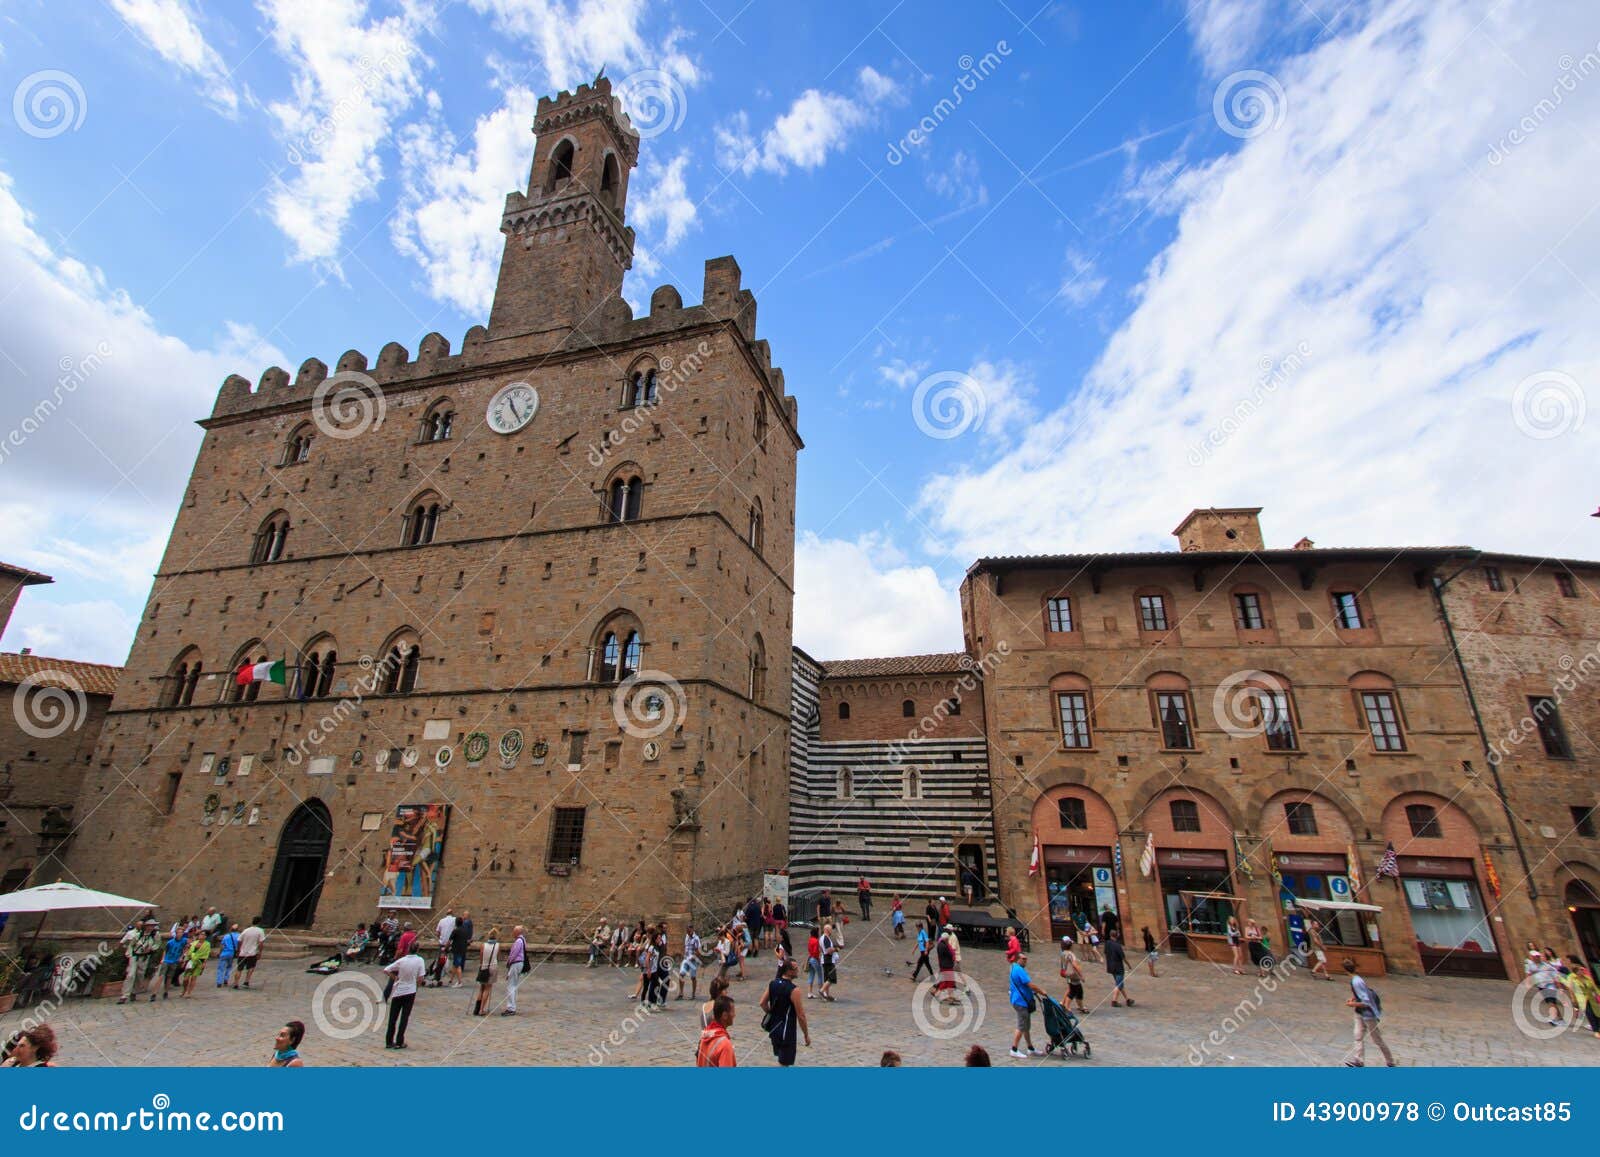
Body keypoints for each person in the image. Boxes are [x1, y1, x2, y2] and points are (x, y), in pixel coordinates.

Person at [1342, 958, 1395, 1066]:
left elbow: (1366, 1002)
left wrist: (1352, 1004)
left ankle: (1390, 1061)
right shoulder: (1356, 979)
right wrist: (1353, 998)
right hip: (1359, 1013)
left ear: (1345, 970)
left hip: (1368, 1014)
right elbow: (1362, 994)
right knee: (1358, 1036)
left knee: (1377, 1040)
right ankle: (1358, 1061)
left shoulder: (1356, 981)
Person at [761, 958, 810, 1066]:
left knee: (781, 1060)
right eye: (795, 968)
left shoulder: (773, 983)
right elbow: (801, 1016)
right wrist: (806, 1034)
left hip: (774, 1028)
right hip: (786, 1031)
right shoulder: (794, 990)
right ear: (788, 971)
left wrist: (771, 1013)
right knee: (784, 1064)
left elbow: (762, 1003)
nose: (798, 970)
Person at [383, 941, 426, 1050]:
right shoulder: (420, 960)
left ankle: (388, 1041)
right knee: (404, 1018)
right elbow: (421, 978)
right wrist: (417, 986)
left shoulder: (402, 961)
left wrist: (395, 978)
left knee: (393, 1018)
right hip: (410, 991)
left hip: (398, 991)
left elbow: (386, 969)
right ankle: (399, 1041)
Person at [1008, 951, 1048, 1058]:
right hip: (1021, 1001)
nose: (1025, 961)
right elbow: (1029, 984)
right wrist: (1041, 991)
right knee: (1021, 1026)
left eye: (1026, 959)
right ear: (1018, 959)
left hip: (1021, 1000)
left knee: (1026, 1026)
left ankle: (1030, 1048)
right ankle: (1014, 1049)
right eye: (1023, 959)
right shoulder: (1019, 970)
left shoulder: (1014, 968)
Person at [118, 918, 159, 1004]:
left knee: (140, 975)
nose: (152, 927)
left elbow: (157, 944)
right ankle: (124, 995)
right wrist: (129, 954)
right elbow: (131, 945)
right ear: (146, 926)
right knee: (130, 974)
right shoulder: (138, 935)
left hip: (144, 957)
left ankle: (134, 991)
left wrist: (151, 949)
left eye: (153, 926)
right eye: (150, 926)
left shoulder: (155, 935)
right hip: (135, 956)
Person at [1563, 956, 1600, 1036]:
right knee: (1590, 1014)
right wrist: (1573, 1001)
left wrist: (1598, 994)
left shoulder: (1587, 978)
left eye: (1582, 970)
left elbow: (1594, 988)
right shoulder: (1572, 978)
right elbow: (1571, 990)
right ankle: (1596, 1031)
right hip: (1582, 1000)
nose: (1583, 971)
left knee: (1597, 1013)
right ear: (1576, 971)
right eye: (1581, 970)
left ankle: (1598, 1028)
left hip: (1591, 999)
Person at [696, 995, 737, 1066]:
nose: (734, 1015)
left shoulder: (704, 1038)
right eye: (733, 1011)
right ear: (725, 1015)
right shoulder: (725, 1045)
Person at [473, 926, 499, 1016]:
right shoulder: (497, 945)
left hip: (483, 966)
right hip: (493, 967)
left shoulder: (483, 945)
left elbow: (481, 956)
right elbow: (497, 957)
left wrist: (481, 964)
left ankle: (477, 1008)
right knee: (488, 988)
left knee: (481, 987)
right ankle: (481, 1009)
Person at [233, 918, 266, 989]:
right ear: (259, 923)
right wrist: (260, 952)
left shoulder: (246, 930)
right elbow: (261, 943)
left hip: (243, 952)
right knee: (251, 967)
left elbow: (239, 940)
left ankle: (236, 983)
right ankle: (246, 981)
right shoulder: (260, 931)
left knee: (239, 968)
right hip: (252, 953)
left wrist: (238, 950)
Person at [1104, 930, 1134, 1007]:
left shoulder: (1107, 943)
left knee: (1120, 984)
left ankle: (1127, 999)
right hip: (1118, 967)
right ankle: (1114, 1000)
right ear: (1116, 936)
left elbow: (1105, 953)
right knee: (1118, 984)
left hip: (1110, 966)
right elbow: (1123, 958)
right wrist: (1129, 965)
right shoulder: (1117, 945)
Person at [502, 925, 527, 1016]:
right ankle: (512, 1006)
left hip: (516, 963)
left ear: (517, 932)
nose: (512, 933)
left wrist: (508, 962)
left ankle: (511, 1007)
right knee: (513, 985)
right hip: (519, 963)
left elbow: (514, 954)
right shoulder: (523, 940)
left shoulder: (518, 941)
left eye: (514, 931)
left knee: (511, 986)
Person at [181, 928, 212, 997]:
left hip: (199, 961)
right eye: (200, 934)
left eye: (203, 935)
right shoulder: (194, 942)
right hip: (191, 961)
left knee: (194, 977)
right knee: (186, 978)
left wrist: (204, 963)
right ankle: (184, 989)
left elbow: (206, 954)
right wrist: (185, 960)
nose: (201, 936)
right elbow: (189, 952)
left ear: (205, 936)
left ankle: (189, 992)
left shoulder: (207, 944)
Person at [159, 926, 187, 1000]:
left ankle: (168, 988)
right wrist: (163, 959)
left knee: (171, 974)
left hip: (175, 960)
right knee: (163, 975)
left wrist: (182, 956)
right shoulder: (170, 942)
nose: (180, 934)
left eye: (181, 933)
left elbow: (186, 947)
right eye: (179, 932)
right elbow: (165, 950)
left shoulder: (184, 940)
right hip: (168, 959)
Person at [1060, 935, 1086, 1013]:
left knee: (1078, 990)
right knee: (1073, 991)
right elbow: (1075, 965)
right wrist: (1081, 975)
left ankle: (1081, 1006)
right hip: (1073, 975)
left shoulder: (1063, 953)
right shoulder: (1071, 954)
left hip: (1066, 973)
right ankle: (1066, 1007)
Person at [449, 910, 473, 987]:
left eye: (464, 915)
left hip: (457, 949)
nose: (463, 916)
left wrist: (446, 947)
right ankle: (451, 979)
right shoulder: (466, 928)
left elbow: (450, 940)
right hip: (462, 947)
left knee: (457, 965)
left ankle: (459, 982)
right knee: (455, 964)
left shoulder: (457, 930)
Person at [678, 925, 702, 1000]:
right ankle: (681, 993)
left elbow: (699, 951)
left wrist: (693, 957)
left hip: (692, 960)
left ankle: (693, 994)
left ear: (692, 930)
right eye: (687, 931)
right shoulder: (687, 937)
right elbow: (685, 947)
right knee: (681, 975)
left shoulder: (696, 938)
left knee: (693, 977)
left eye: (689, 931)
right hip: (686, 959)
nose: (688, 933)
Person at [935, 925, 957, 1002]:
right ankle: (948, 996)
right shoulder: (944, 946)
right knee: (949, 981)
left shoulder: (939, 945)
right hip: (947, 966)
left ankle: (943, 995)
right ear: (946, 939)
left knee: (946, 982)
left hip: (943, 965)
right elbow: (950, 955)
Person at [818, 922, 840, 1001]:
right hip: (828, 960)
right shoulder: (826, 938)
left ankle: (827, 995)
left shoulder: (821, 938)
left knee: (827, 978)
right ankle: (821, 990)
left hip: (825, 959)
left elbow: (820, 949)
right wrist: (836, 949)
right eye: (830, 930)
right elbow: (829, 950)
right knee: (832, 977)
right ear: (827, 930)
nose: (831, 931)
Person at [805, 928, 822, 997]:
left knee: (811, 975)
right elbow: (815, 952)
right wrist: (818, 957)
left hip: (810, 959)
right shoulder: (816, 941)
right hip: (815, 959)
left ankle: (809, 993)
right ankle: (821, 991)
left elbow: (810, 950)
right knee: (820, 975)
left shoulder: (810, 940)